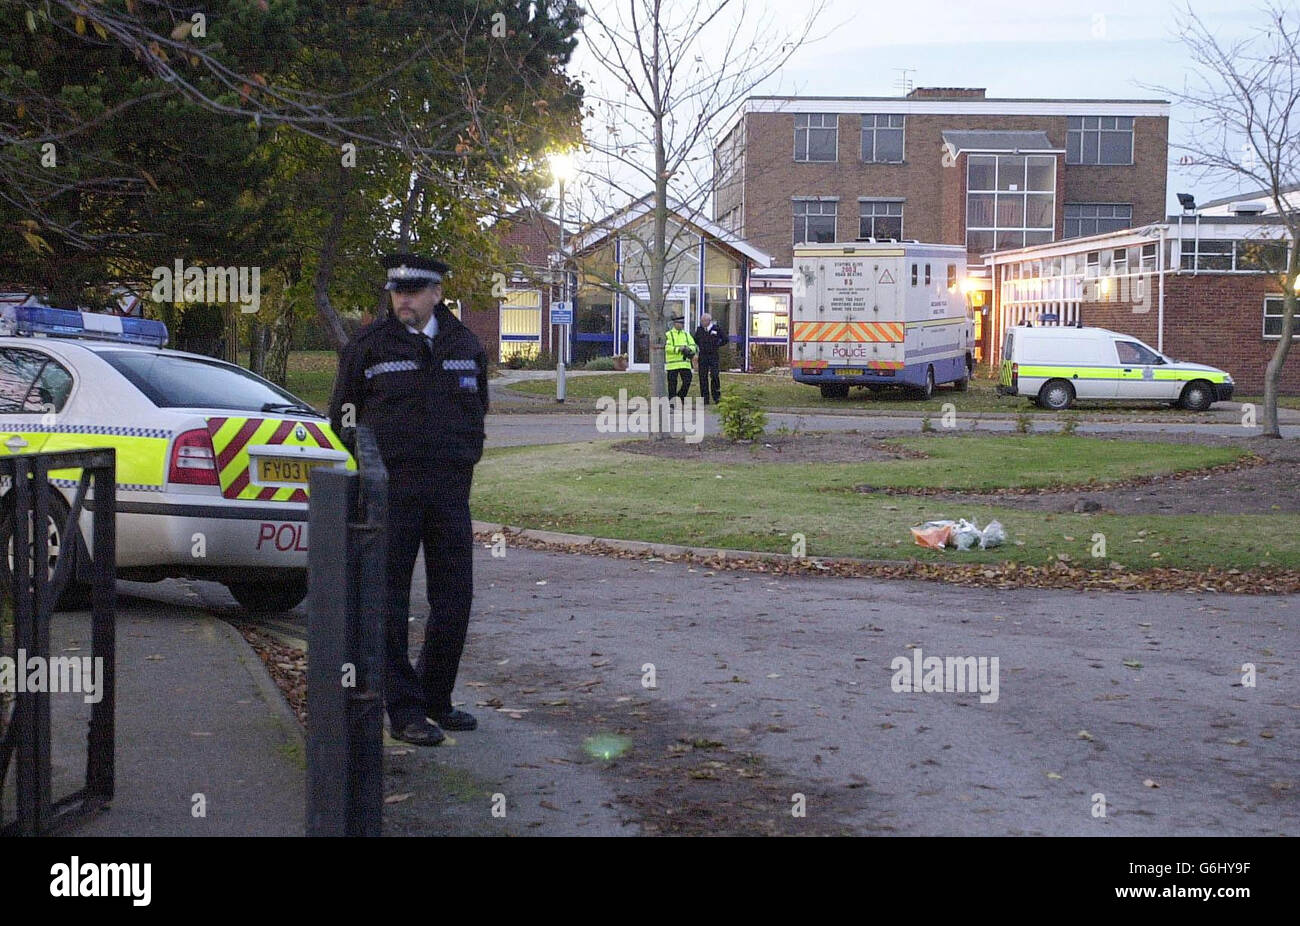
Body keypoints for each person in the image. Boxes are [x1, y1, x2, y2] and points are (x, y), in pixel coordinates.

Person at [328, 252, 488, 746]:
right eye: (397, 291)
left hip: (450, 488)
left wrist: (464, 454)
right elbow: (343, 417)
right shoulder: (369, 346)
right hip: (393, 490)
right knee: (391, 598)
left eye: (414, 291)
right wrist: (374, 467)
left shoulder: (465, 343)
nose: (403, 300)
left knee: (454, 597)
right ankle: (403, 708)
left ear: (437, 294)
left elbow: (478, 406)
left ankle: (436, 695)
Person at [692, 312, 726, 405]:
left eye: (704, 321)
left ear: (709, 321)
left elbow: (725, 339)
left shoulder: (716, 328)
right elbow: (695, 340)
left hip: (713, 355)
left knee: (714, 376)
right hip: (703, 356)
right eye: (701, 321)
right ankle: (704, 399)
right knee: (703, 377)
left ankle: (716, 397)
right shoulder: (699, 330)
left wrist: (717, 345)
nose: (702, 322)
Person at [664, 314, 697, 401]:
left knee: (687, 381)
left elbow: (694, 346)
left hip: (684, 364)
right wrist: (679, 349)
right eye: (680, 323)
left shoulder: (686, 334)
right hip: (672, 364)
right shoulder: (668, 334)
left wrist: (688, 349)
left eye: (683, 323)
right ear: (675, 323)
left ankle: (680, 397)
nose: (682, 325)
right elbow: (667, 348)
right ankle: (672, 402)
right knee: (672, 384)